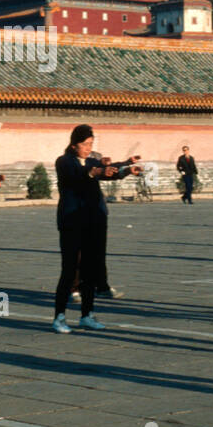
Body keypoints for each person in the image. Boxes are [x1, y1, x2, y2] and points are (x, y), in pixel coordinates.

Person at [52, 125, 140, 333]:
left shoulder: (92, 160)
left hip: (93, 221)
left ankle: (87, 315)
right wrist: (97, 171)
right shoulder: (64, 162)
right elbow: (85, 172)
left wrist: (127, 168)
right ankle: (59, 317)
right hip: (72, 222)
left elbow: (109, 172)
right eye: (85, 144)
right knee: (69, 269)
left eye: (91, 144)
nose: (88, 148)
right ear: (74, 145)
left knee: (90, 270)